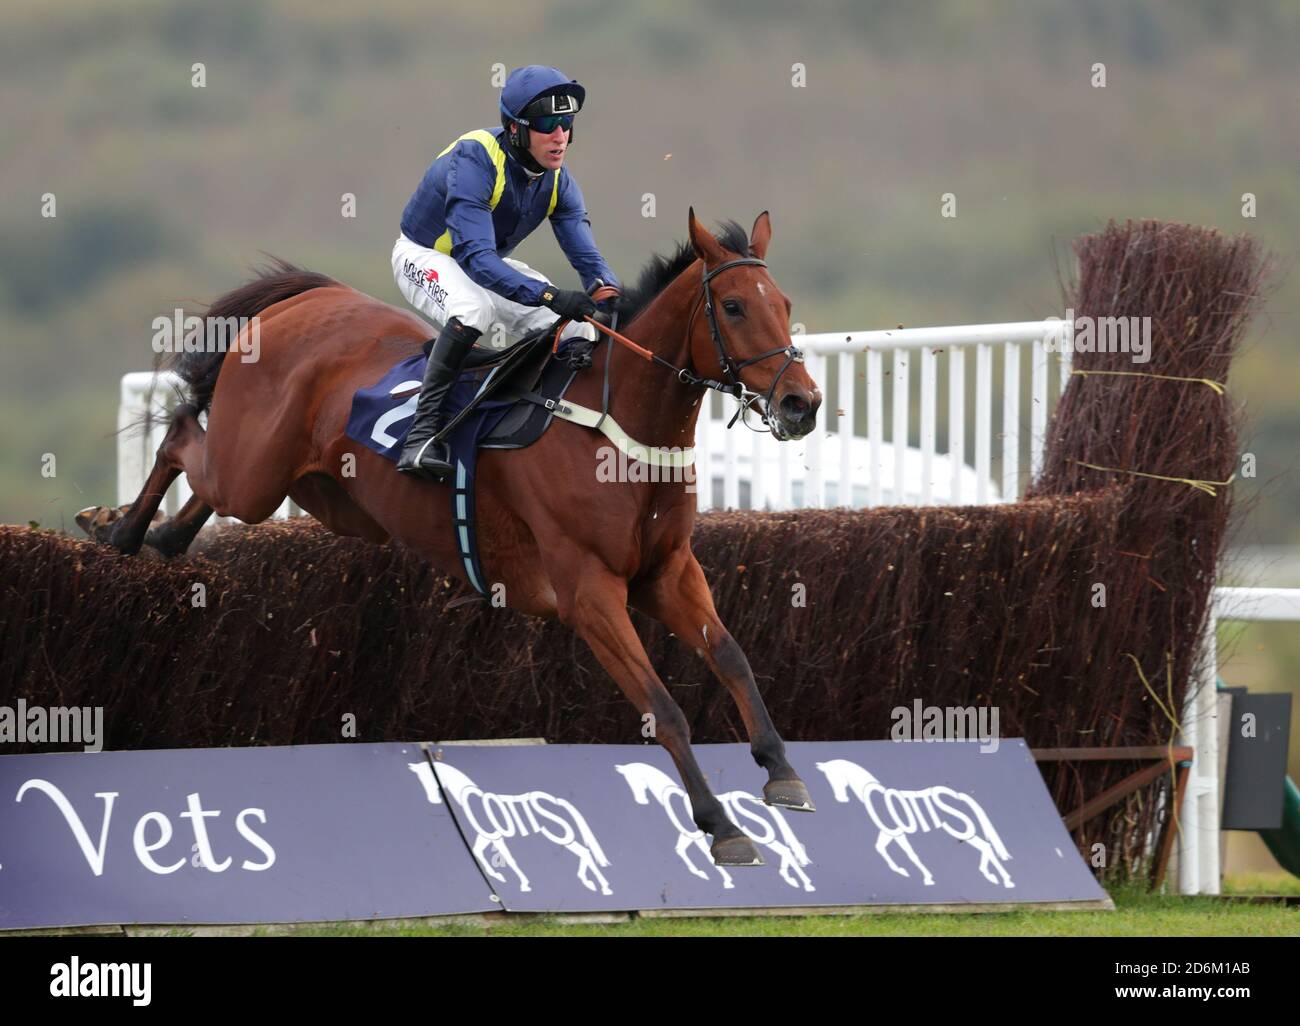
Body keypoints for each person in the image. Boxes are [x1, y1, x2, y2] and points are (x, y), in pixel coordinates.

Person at [391, 64, 621, 480]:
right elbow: (477, 260)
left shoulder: (558, 182)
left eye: (566, 123)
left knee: (578, 329)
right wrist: (551, 296)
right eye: (548, 124)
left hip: (479, 261)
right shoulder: (476, 160)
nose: (560, 136)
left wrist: (607, 293)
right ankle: (421, 436)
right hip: (423, 255)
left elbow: (587, 258)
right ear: (515, 130)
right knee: (474, 310)